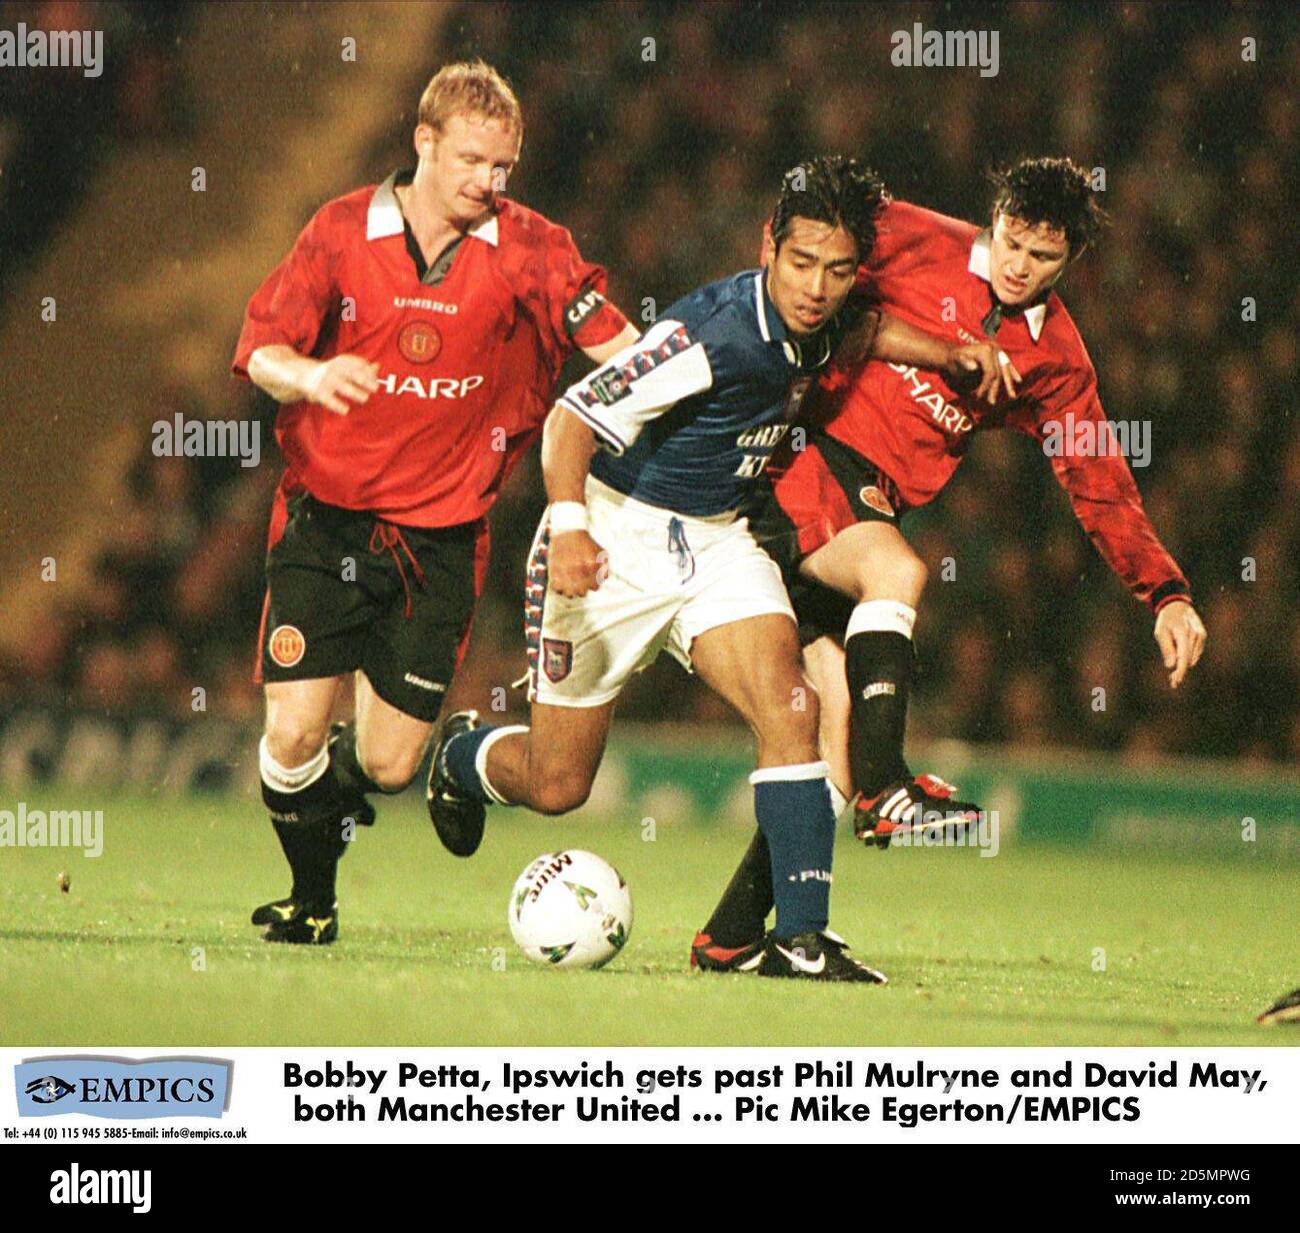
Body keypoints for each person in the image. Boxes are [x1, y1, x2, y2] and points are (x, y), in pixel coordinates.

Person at [428, 157, 1010, 981]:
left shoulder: (830, 315)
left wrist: (950, 352)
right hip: (615, 541)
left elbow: (868, 329)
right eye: (801, 262)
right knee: (558, 782)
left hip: (716, 543)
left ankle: (801, 939)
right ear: (768, 245)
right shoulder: (711, 333)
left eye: (838, 269)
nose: (816, 285)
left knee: (792, 705)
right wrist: (567, 526)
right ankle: (462, 758)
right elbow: (572, 417)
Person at [697, 157, 1208, 959]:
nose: (1018, 265)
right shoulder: (908, 235)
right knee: (897, 572)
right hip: (802, 459)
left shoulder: (1060, 362)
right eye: (1011, 240)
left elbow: (1099, 480)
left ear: (1071, 259)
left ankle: (735, 936)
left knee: (826, 749)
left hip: (866, 503)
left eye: (1042, 257)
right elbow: (804, 227)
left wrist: (1165, 594)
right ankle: (889, 784)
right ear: (994, 216)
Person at [230, 60, 636, 944]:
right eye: (473, 161)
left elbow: (619, 341)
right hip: (324, 519)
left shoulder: (531, 245)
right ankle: (313, 901)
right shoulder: (339, 231)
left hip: (442, 540)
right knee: (295, 731)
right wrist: (310, 372)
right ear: (424, 142)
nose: (491, 183)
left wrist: (667, 376)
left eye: (505, 167)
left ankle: (414, 763)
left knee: (384, 764)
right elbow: (260, 349)